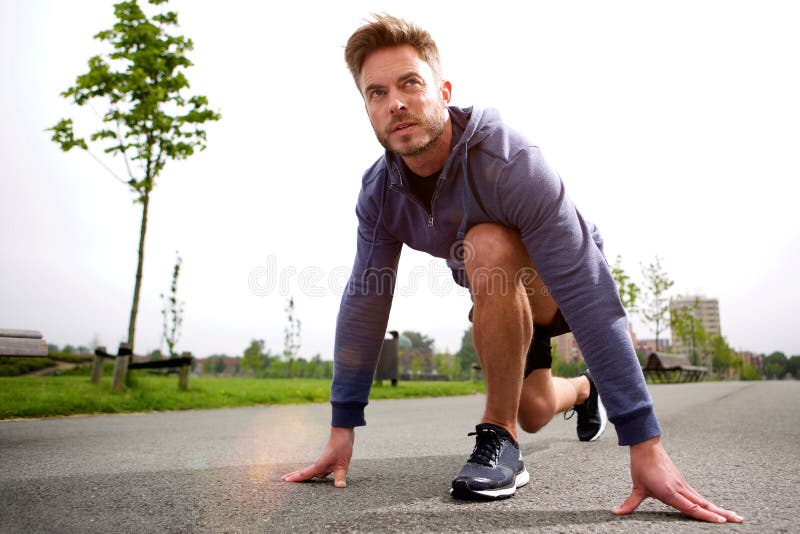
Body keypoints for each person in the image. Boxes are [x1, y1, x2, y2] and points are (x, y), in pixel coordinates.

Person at [283, 14, 743, 523]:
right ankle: (584, 391)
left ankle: (499, 438)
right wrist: (341, 428)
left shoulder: (509, 160)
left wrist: (644, 441)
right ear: (366, 108)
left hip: (558, 286)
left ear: (443, 89)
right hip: (499, 297)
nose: (395, 102)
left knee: (485, 242)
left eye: (410, 83)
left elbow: (586, 290)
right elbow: (366, 299)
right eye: (376, 93)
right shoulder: (380, 193)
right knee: (538, 409)